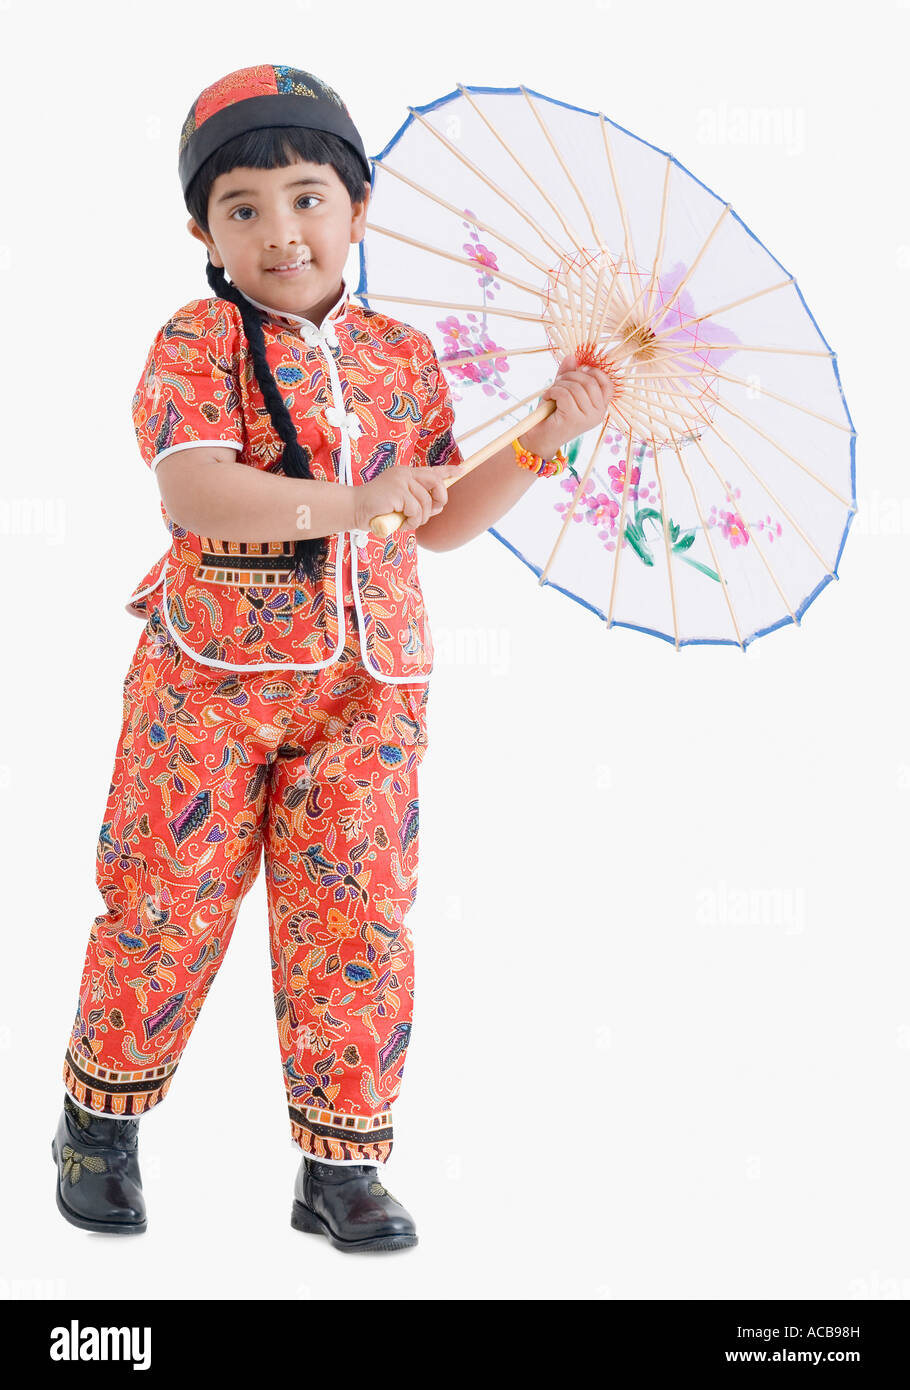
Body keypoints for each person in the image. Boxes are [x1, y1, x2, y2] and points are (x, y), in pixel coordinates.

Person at [52, 63, 615, 1252]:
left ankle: (338, 1165)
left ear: (359, 210)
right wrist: (351, 501)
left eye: (308, 197)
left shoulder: (404, 360)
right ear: (203, 231)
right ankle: (98, 1126)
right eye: (243, 208)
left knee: (357, 918)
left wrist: (546, 442)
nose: (281, 231)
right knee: (167, 900)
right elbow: (193, 487)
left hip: (370, 691)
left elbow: (445, 515)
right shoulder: (196, 339)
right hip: (207, 686)